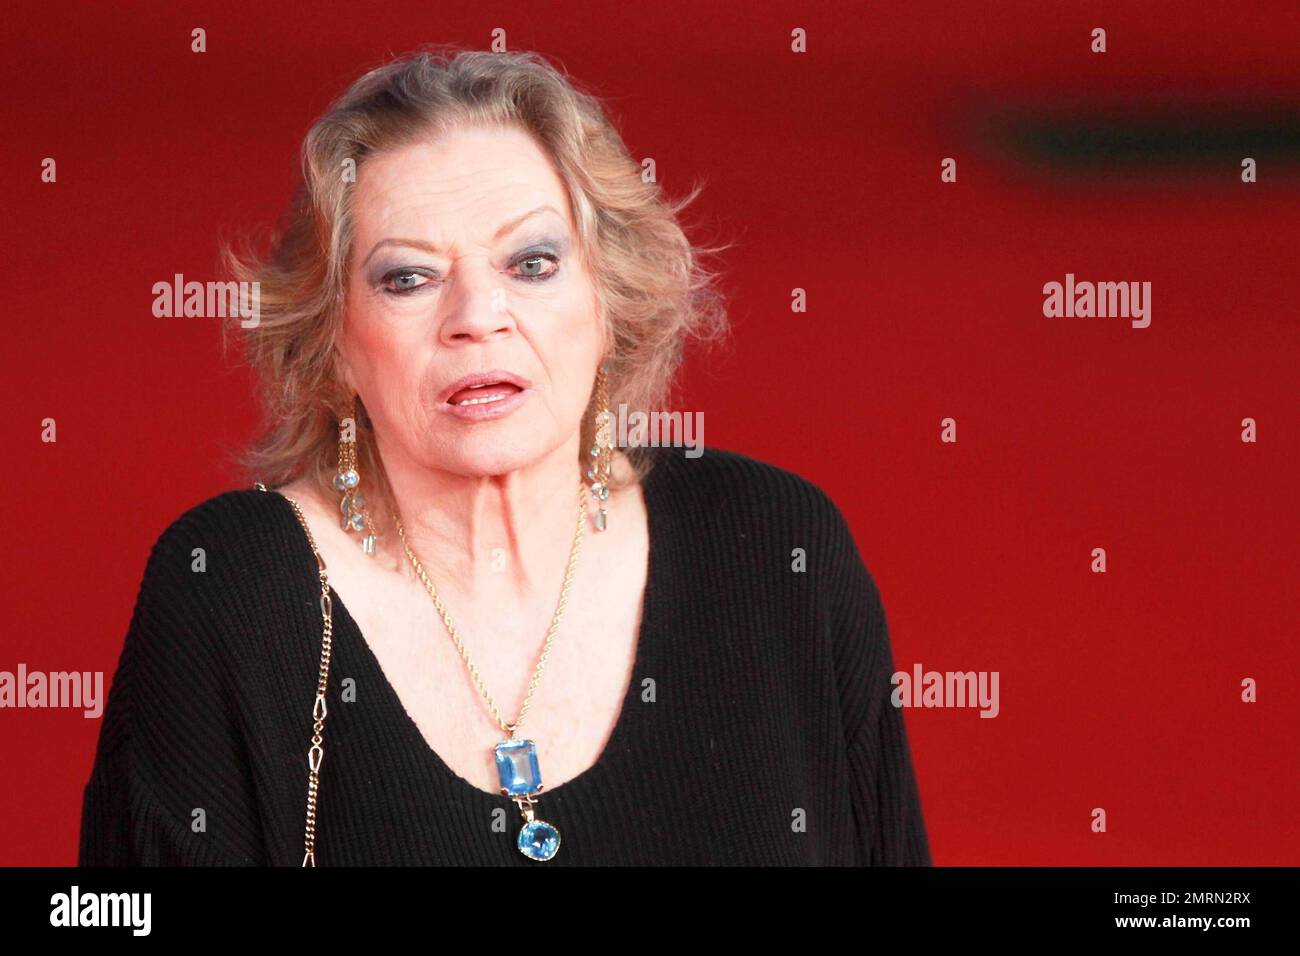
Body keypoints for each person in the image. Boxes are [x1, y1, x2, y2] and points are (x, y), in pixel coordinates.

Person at [78, 46, 931, 866]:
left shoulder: (780, 551)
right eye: (407, 277)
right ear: (332, 341)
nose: (478, 315)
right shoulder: (230, 591)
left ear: (611, 303)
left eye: (532, 263)